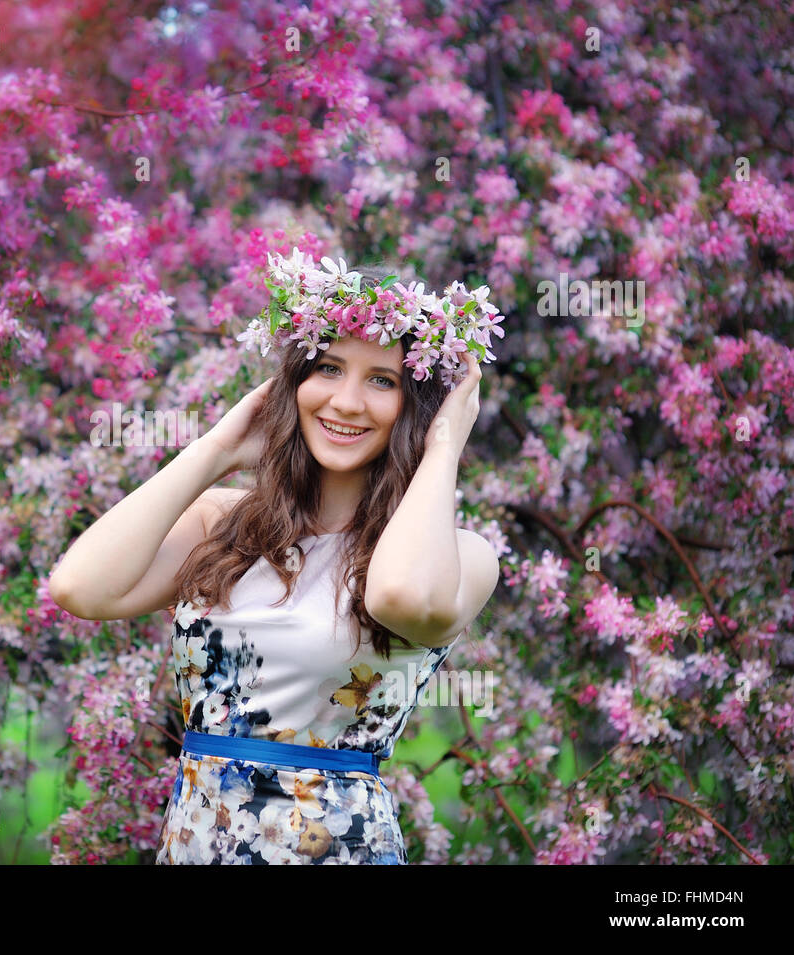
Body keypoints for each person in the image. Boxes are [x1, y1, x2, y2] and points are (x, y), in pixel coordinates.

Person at [49, 258, 501, 864]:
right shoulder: (223, 524)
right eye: (328, 368)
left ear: (418, 406)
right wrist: (217, 450)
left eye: (382, 381)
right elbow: (81, 588)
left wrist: (445, 441)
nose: (345, 401)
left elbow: (399, 599)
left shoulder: (460, 557)